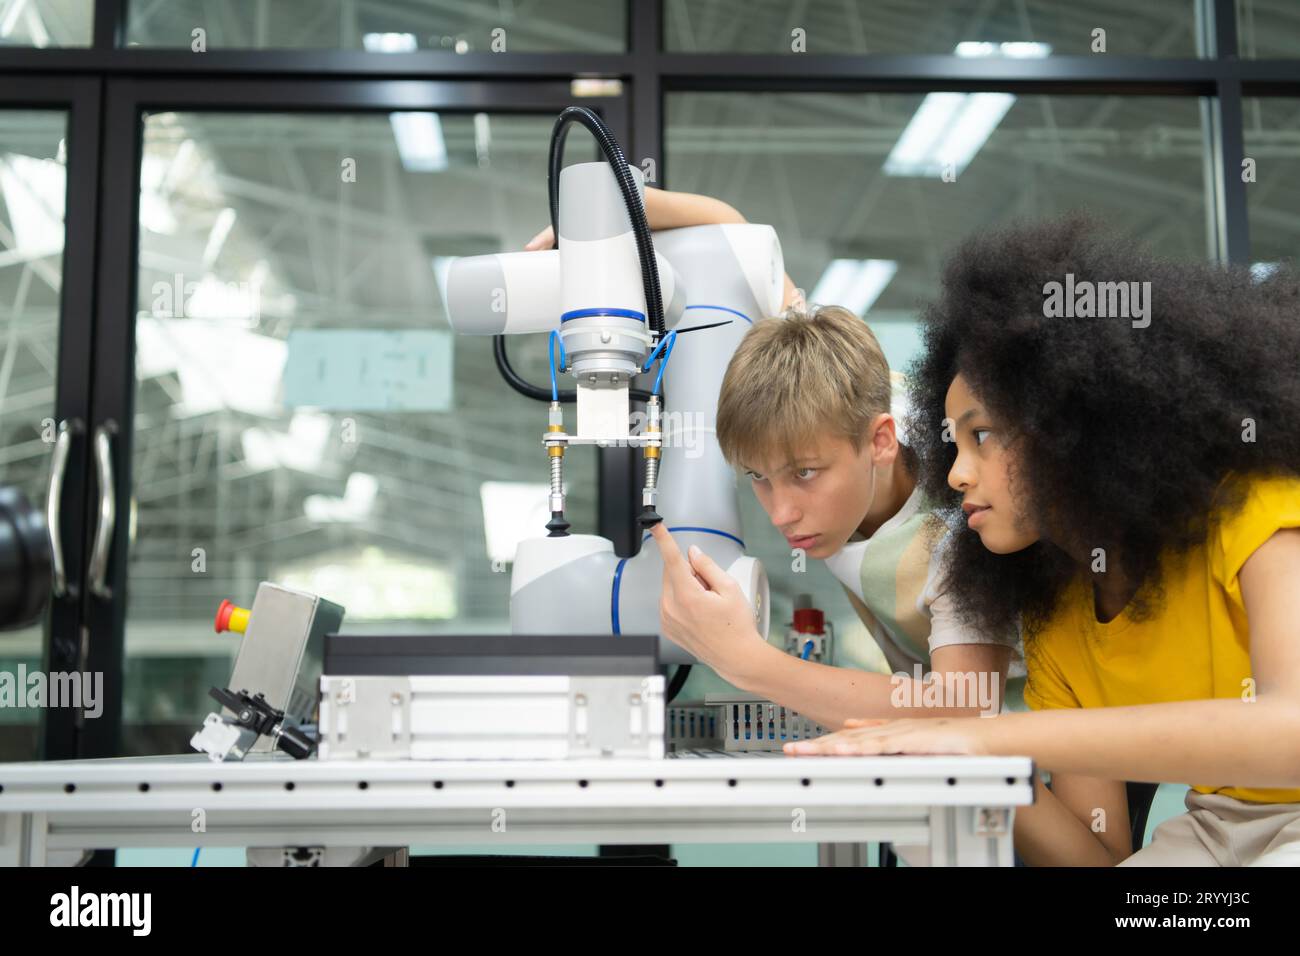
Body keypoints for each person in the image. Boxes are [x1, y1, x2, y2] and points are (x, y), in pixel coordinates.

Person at [781, 215, 1300, 866]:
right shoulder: (1057, 619)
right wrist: (956, 756)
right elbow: (1096, 855)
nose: (956, 473)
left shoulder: (1256, 512)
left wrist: (989, 741)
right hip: (1216, 828)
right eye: (953, 442)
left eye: (984, 435)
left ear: (1078, 427)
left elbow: (1292, 731)